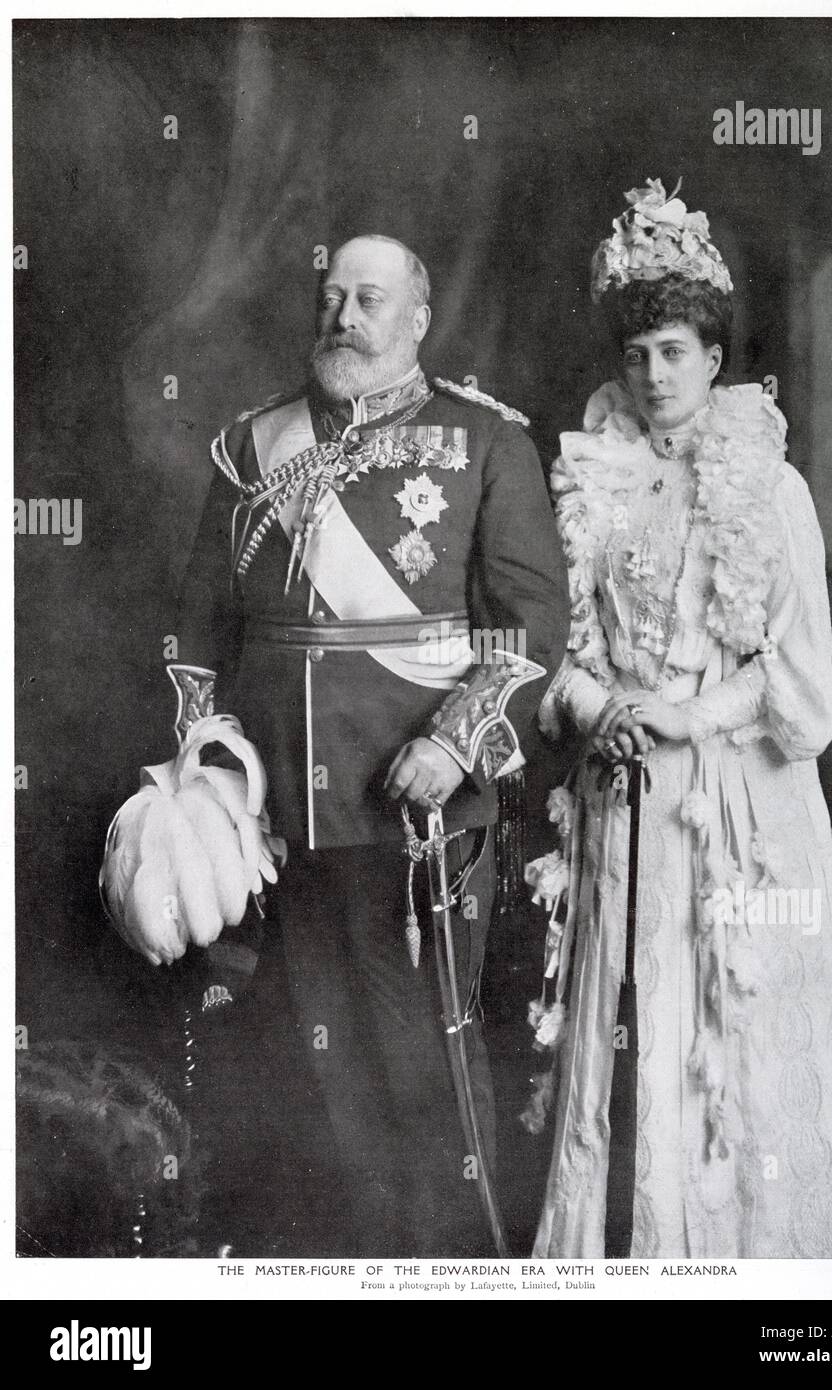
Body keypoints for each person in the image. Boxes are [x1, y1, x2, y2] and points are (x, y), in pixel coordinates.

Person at [526, 179, 832, 1259]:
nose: (652, 376)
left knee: (730, 1026)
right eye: (636, 355)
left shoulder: (771, 489)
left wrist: (682, 711)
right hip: (621, 797)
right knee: (630, 1024)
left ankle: (743, 1254)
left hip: (736, 805)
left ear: (712, 358)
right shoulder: (592, 483)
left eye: (672, 351)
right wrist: (598, 705)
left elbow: (794, 682)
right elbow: (561, 652)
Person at [170, 234, 570, 1255]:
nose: (343, 315)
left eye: (369, 298)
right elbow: (201, 626)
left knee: (422, 1052)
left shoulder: (486, 442)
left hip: (418, 799)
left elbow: (527, 630)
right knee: (323, 1058)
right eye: (332, 295)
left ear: (417, 318)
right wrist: (209, 767)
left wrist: (456, 739)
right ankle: (365, 1257)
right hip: (286, 806)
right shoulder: (252, 442)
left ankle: (452, 1262)